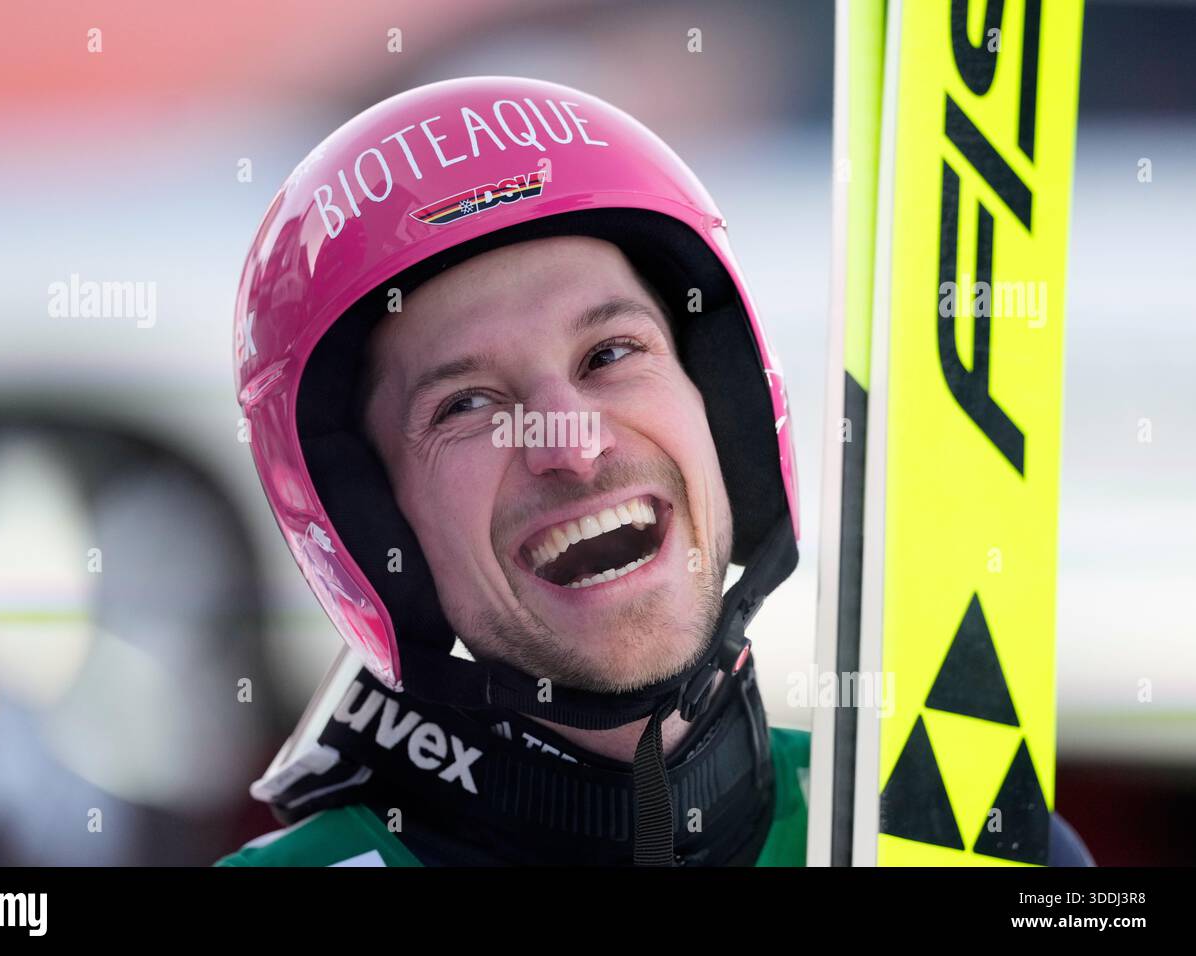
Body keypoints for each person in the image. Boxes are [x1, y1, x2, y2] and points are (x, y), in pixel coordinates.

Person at [217, 75, 1090, 867]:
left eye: (611, 352)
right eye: (467, 406)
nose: (573, 444)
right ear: (377, 528)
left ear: (720, 406)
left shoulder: (955, 840)